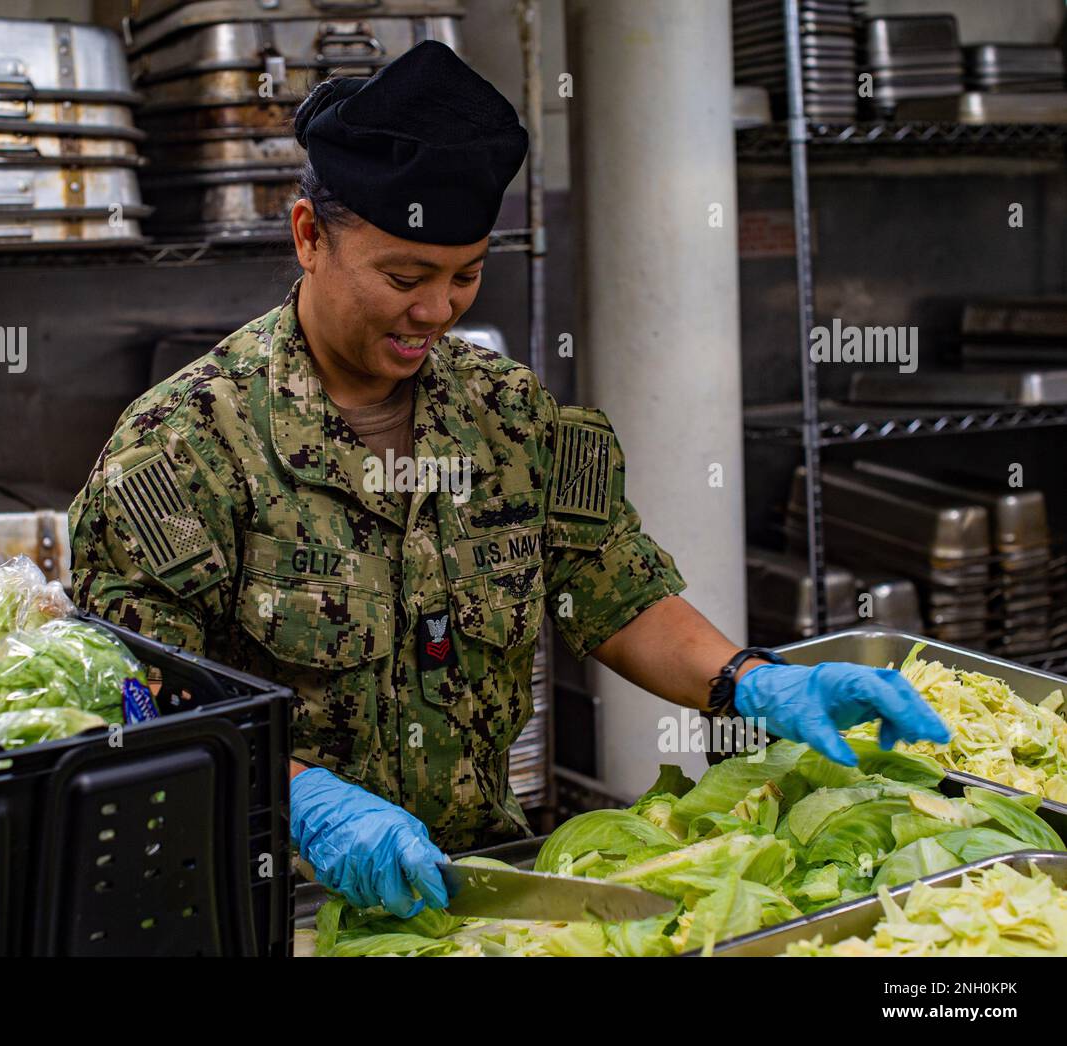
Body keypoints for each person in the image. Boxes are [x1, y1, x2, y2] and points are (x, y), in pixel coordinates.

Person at [69, 41, 949, 919]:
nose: (437, 311)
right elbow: (126, 692)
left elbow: (609, 588)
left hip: (474, 897)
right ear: (309, 236)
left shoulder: (509, 413)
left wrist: (749, 680)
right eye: (404, 276)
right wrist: (299, 802)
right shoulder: (182, 445)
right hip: (265, 904)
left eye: (467, 275)